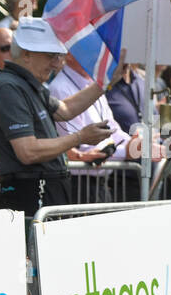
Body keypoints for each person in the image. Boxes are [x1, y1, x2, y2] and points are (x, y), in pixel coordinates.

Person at [0, 18, 112, 216]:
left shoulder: (27, 85)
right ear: (26, 55)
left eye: (57, 56)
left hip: (43, 189)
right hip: (30, 192)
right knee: (34, 247)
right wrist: (80, 137)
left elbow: (65, 109)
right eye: (50, 56)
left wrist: (105, 83)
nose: (56, 63)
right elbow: (27, 151)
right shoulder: (9, 88)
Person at [48, 52, 140, 202]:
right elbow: (81, 148)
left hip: (99, 185)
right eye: (87, 48)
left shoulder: (92, 84)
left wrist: (132, 143)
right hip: (77, 186)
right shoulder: (59, 87)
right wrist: (126, 151)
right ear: (69, 53)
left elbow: (111, 127)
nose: (94, 52)